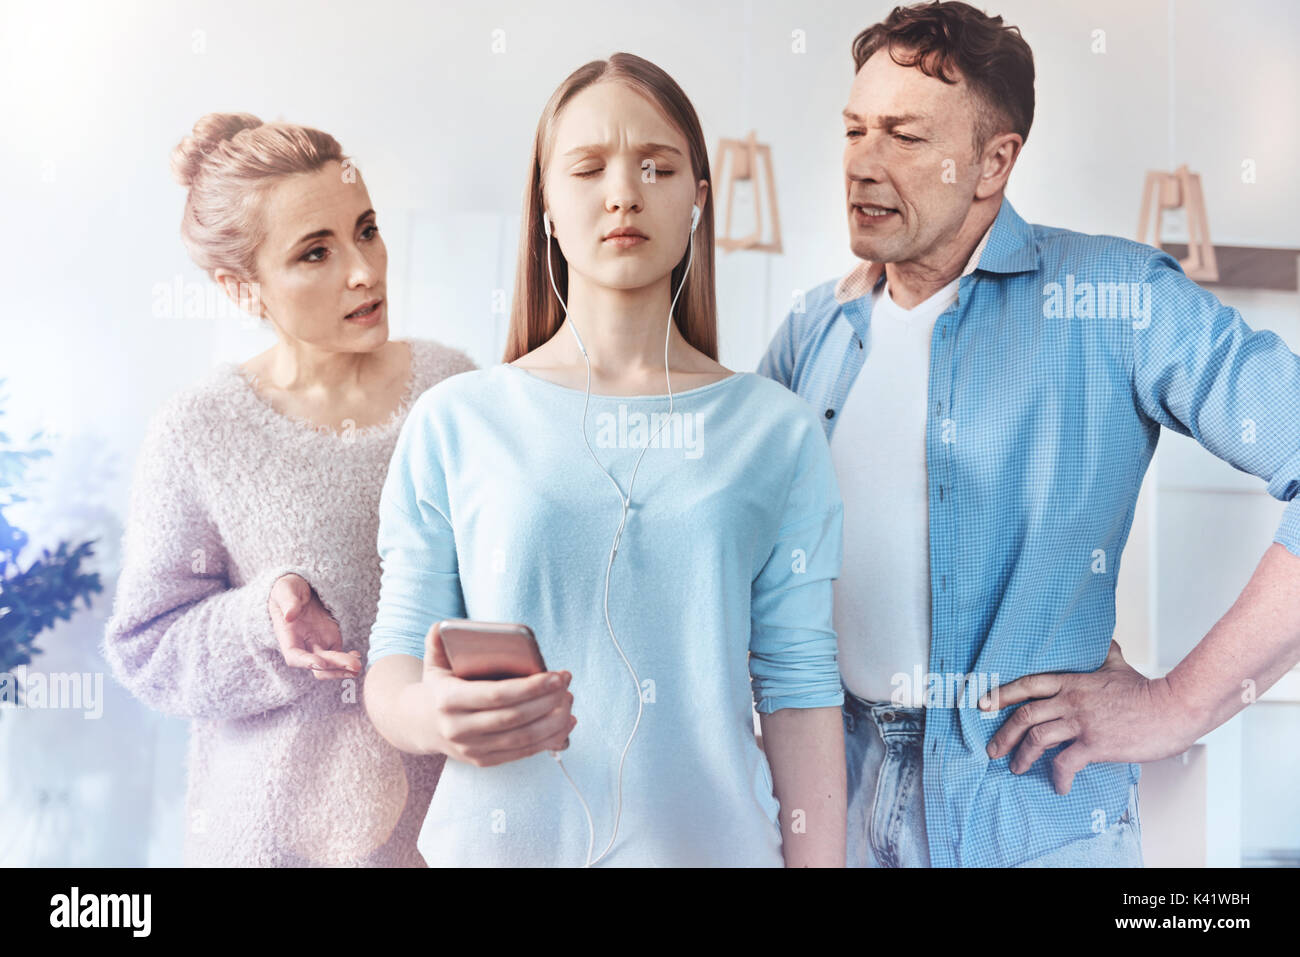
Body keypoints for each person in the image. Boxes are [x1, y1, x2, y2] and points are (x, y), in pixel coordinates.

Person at [758, 0, 1300, 868]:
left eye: (903, 136)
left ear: (992, 162)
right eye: (855, 129)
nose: (861, 163)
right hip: (834, 813)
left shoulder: (1118, 301)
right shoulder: (811, 333)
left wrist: (1177, 703)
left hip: (1032, 823)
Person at [363, 52, 846, 867]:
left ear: (698, 201)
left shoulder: (778, 432)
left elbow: (800, 692)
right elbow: (395, 663)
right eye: (588, 168)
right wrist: (430, 715)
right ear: (547, 207)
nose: (624, 192)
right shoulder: (458, 420)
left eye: (657, 166)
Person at [102, 112, 476, 866]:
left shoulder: (454, 389)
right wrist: (263, 622)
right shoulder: (198, 431)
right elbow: (147, 644)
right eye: (316, 252)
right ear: (243, 290)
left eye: (366, 229)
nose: (364, 269)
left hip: (449, 839)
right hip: (271, 847)